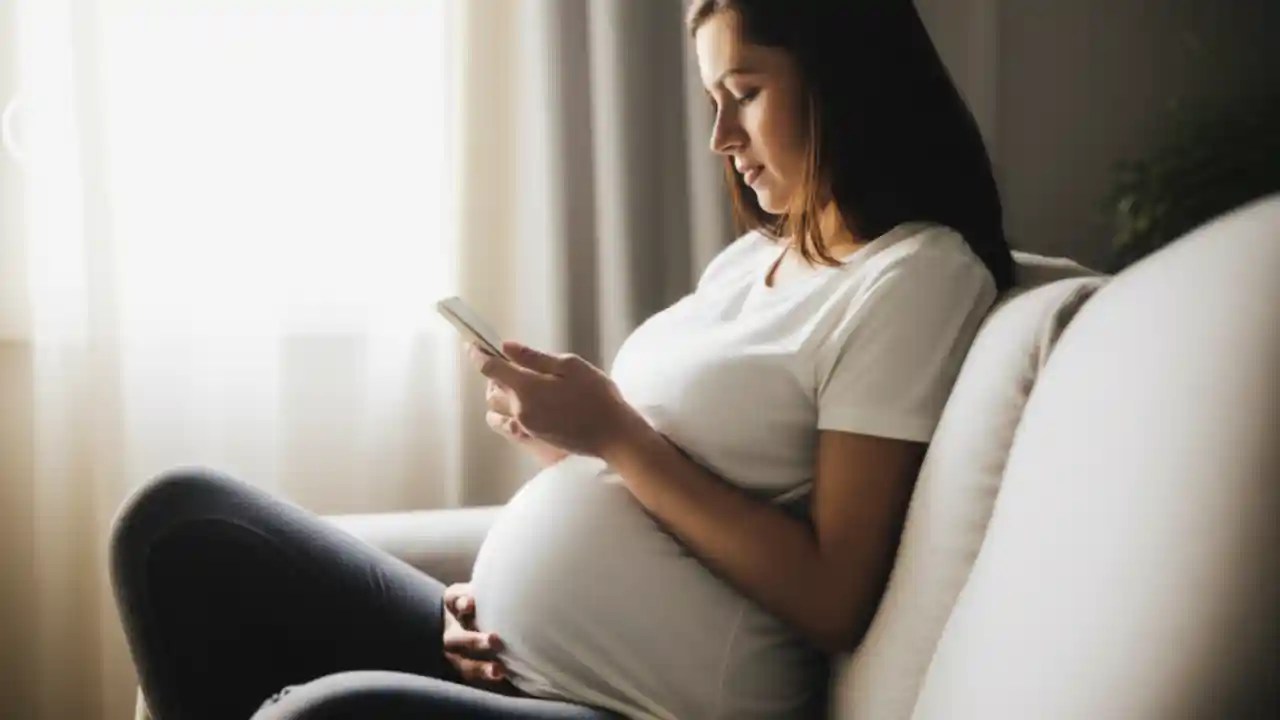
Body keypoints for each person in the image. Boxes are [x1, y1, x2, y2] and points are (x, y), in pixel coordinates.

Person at [109, 1, 1012, 718]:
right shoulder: (753, 261)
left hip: (637, 704)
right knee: (178, 527)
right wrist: (560, 445)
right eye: (712, 102)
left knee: (312, 716)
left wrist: (613, 433)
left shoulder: (917, 277)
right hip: (510, 653)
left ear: (841, 78)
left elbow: (830, 594)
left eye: (744, 92)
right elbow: (669, 482)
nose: (721, 141)